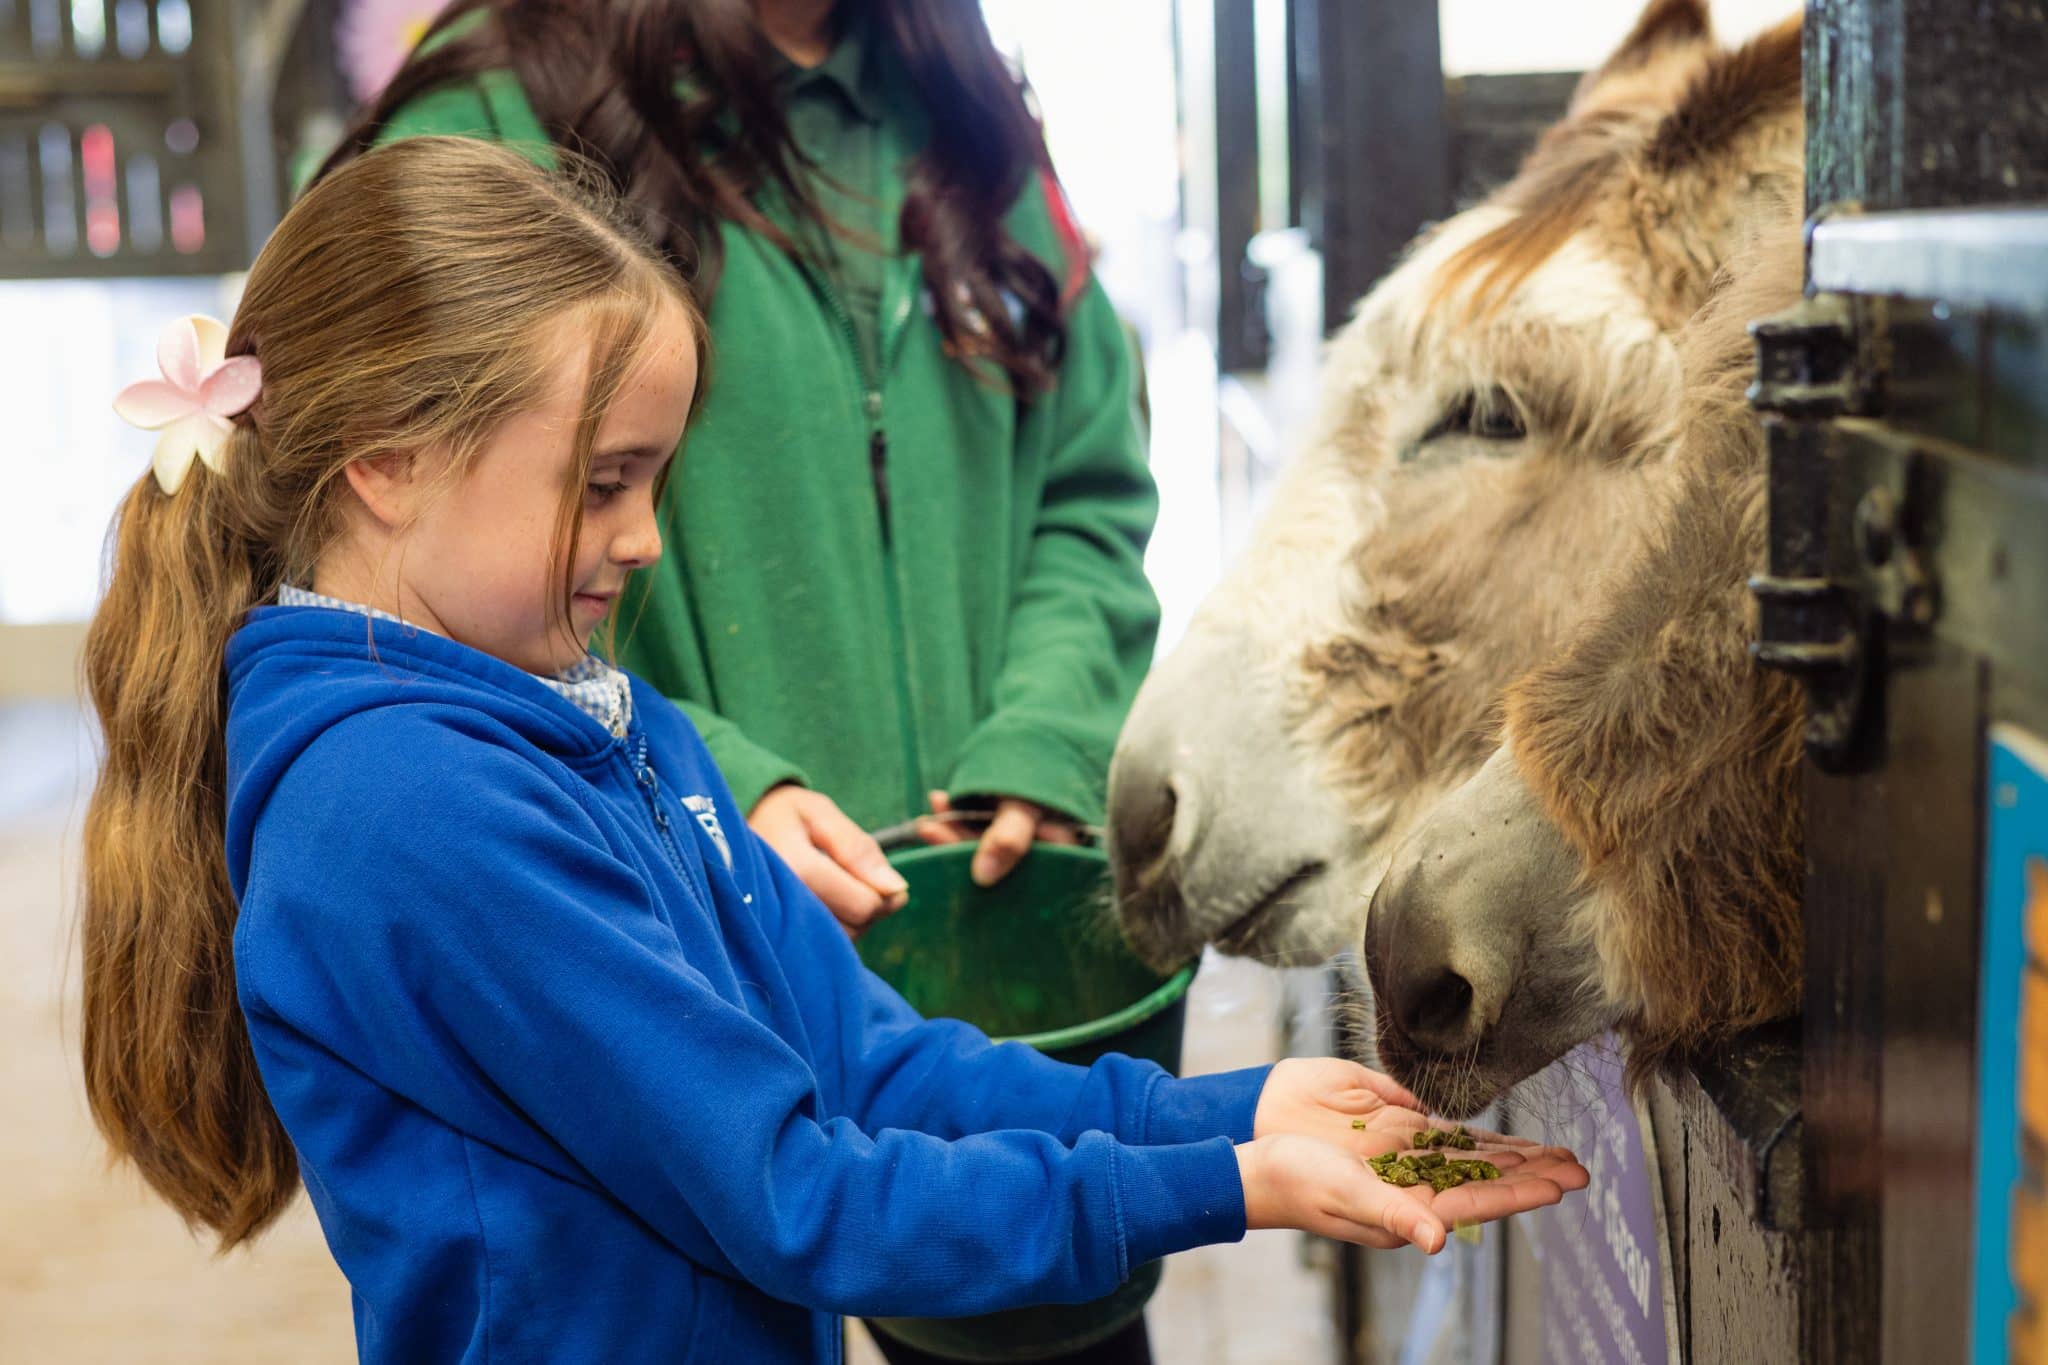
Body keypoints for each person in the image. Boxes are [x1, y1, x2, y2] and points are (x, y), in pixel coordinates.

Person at [78, 139, 1585, 1365]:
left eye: (653, 479)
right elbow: (795, 1191)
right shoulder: (407, 814)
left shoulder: (600, 718)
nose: (644, 538)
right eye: (602, 483)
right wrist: (1222, 1185)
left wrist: (1231, 1110)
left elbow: (869, 1061)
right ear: (389, 461)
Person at [318, 0, 1161, 938]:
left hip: (1001, 951)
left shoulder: (973, 118)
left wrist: (1046, 738)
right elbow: (389, 586)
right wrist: (708, 790)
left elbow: (1087, 494)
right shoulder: (486, 123)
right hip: (672, 955)